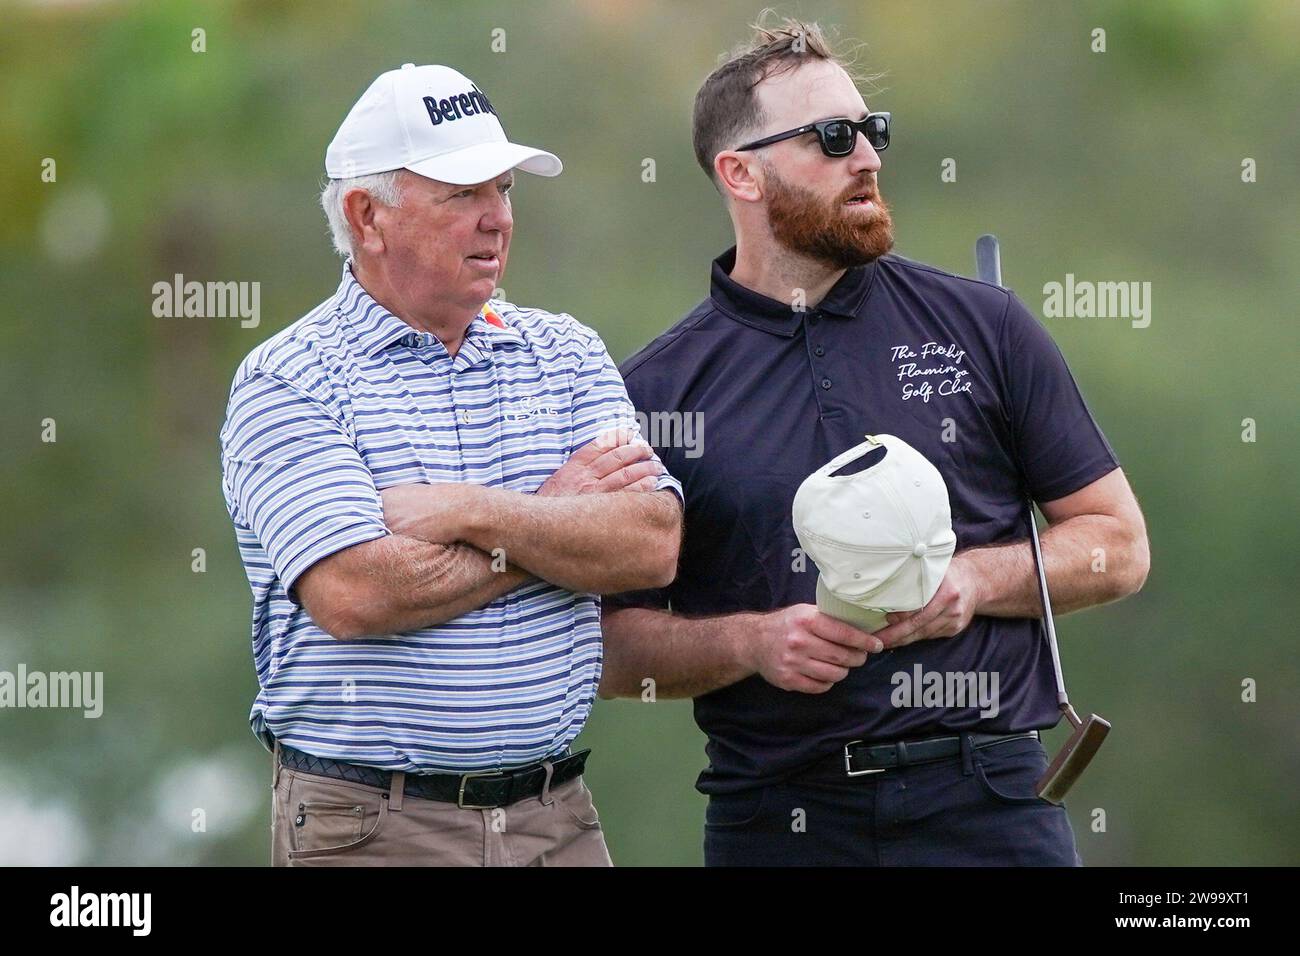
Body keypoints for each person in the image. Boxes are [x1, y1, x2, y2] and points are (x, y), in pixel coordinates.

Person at [599, 18, 1149, 866]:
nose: (867, 157)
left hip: (990, 802)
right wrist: (752, 643)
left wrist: (974, 579)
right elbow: (609, 645)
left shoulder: (984, 325)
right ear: (740, 172)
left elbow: (1119, 546)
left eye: (870, 130)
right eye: (831, 137)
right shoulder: (654, 392)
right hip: (777, 819)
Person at [219, 63, 682, 866]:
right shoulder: (288, 379)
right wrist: (561, 517)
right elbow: (356, 591)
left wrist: (478, 510)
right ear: (368, 216)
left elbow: (650, 545)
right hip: (368, 825)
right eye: (462, 194)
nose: (498, 219)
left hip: (557, 816)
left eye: (503, 190)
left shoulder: (565, 350)